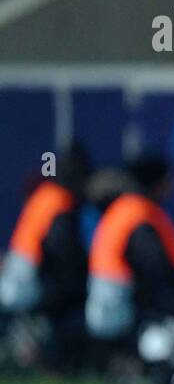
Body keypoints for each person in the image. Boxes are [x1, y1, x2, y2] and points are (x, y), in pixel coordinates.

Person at [85, 155, 174, 384]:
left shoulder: (124, 208)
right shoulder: (139, 213)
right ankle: (169, 373)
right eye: (168, 180)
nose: (172, 186)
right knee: (170, 323)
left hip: (105, 299)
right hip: (121, 303)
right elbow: (155, 266)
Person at [0, 144, 92, 370]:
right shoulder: (60, 201)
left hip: (16, 275)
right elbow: (60, 250)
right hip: (29, 280)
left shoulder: (44, 194)